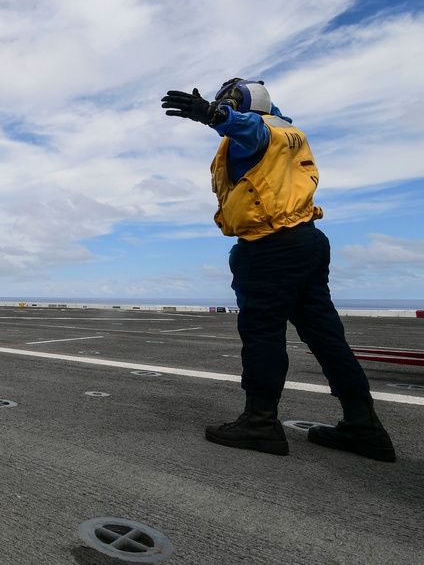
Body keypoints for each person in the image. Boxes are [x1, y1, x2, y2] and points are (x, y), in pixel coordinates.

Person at [160, 79, 395, 462]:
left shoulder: (255, 130)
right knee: (326, 336)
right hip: (307, 242)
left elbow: (245, 127)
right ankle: (364, 425)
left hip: (270, 247)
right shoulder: (289, 131)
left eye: (227, 100)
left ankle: (260, 422)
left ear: (238, 102)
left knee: (262, 334)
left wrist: (212, 114)